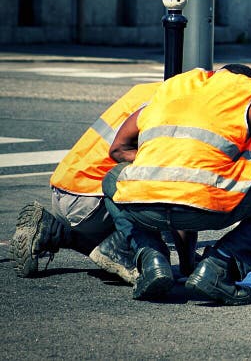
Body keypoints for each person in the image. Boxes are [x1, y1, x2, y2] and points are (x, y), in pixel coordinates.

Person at [103, 64, 251, 305]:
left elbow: (117, 149)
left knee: (112, 179)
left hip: (144, 205)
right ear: (247, 81)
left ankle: (151, 260)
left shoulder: (172, 88)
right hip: (207, 206)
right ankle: (220, 267)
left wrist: (162, 162)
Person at [11, 82, 161, 284]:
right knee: (170, 192)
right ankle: (120, 247)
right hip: (93, 200)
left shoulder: (148, 90)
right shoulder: (176, 108)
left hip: (68, 188)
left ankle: (51, 229)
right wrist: (186, 264)